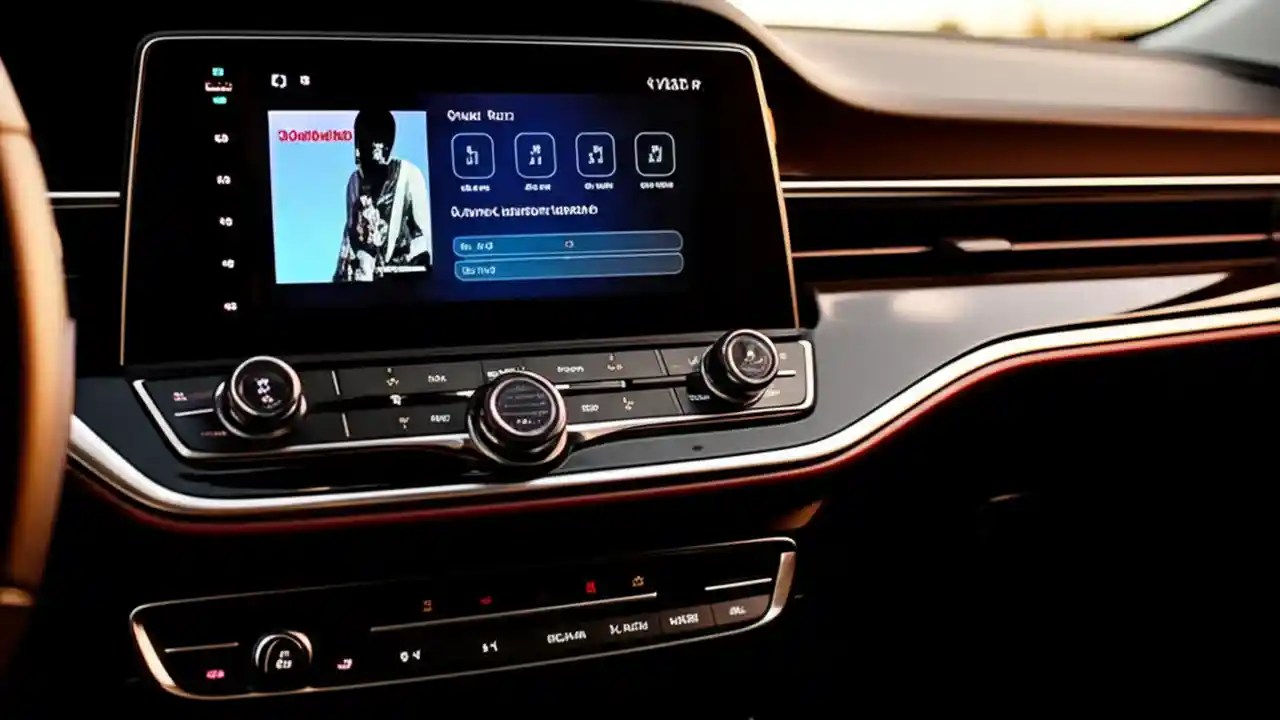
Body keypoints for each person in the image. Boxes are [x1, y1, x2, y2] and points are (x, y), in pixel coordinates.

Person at [333, 110, 431, 282]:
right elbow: (350, 237)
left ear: (384, 149)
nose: (357, 154)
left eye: (364, 146)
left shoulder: (409, 176)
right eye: (356, 144)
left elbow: (423, 239)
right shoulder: (355, 182)